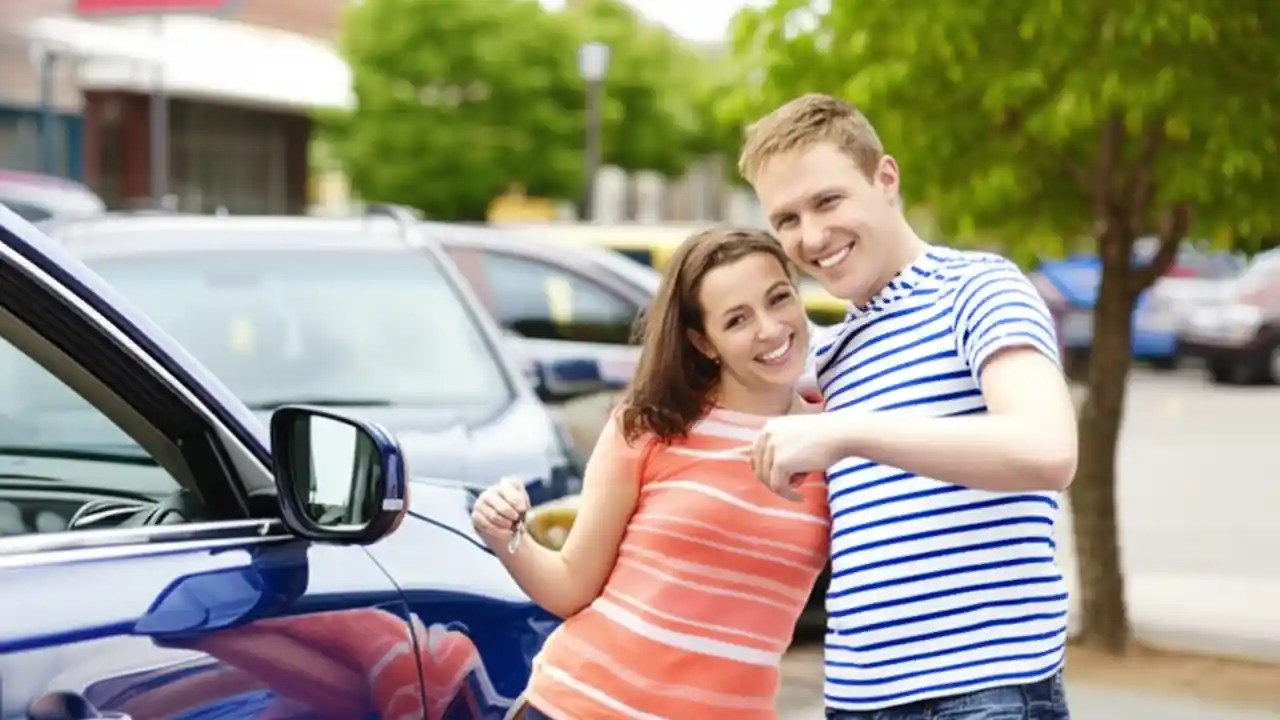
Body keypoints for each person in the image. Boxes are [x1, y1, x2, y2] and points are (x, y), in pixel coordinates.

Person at [738, 93, 1077, 719]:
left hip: (985, 691)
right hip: (859, 698)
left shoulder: (977, 289)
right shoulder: (833, 352)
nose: (812, 236)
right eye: (786, 219)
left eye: (828, 201)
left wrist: (849, 432)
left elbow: (1047, 450)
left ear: (884, 179)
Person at [471, 227, 830, 720]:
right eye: (738, 319)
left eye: (779, 299)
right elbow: (570, 586)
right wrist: (504, 534)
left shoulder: (837, 439)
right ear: (704, 342)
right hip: (578, 707)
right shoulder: (651, 426)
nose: (770, 329)